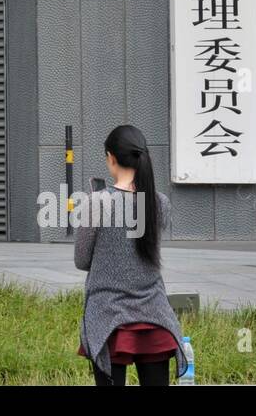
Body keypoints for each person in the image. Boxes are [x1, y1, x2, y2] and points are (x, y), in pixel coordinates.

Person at [75, 124, 189, 386]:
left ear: (111, 158)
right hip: (154, 316)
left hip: (108, 319)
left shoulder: (96, 203)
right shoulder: (159, 203)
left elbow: (82, 260)